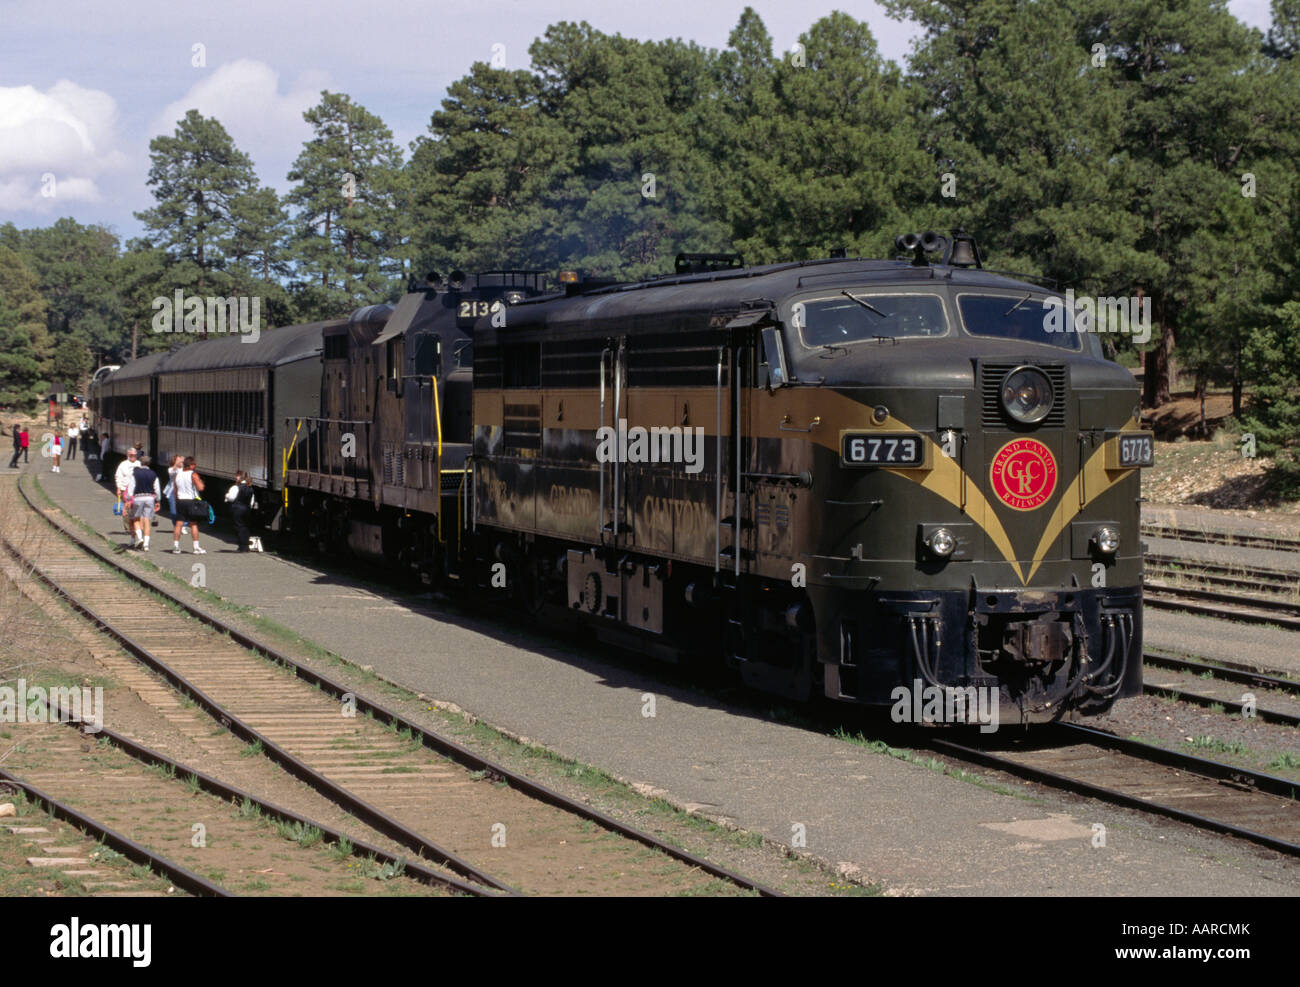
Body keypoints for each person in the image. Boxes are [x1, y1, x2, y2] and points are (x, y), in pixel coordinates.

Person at [172, 456, 206, 554]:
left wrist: (176, 500)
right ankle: (196, 548)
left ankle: (176, 546)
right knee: (193, 524)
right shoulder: (193, 474)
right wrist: (201, 482)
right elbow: (200, 488)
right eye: (194, 464)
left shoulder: (177, 475)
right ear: (191, 465)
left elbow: (175, 490)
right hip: (190, 501)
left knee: (179, 524)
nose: (195, 466)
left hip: (180, 501)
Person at [127, 455, 161, 550]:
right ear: (149, 463)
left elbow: (131, 487)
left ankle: (140, 538)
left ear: (140, 463)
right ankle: (146, 544)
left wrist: (129, 498)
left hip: (138, 497)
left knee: (136, 519)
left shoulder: (135, 473)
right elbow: (157, 489)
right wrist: (157, 500)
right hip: (150, 498)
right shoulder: (153, 474)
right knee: (147, 520)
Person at [225, 470, 261, 552]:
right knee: (245, 527)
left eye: (236, 476)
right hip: (246, 509)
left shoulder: (236, 487)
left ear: (239, 477)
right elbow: (251, 501)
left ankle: (241, 546)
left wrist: (226, 496)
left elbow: (231, 498)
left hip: (237, 509)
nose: (235, 477)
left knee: (239, 527)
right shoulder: (250, 488)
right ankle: (246, 546)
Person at [114, 447, 139, 537]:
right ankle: (128, 528)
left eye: (135, 455)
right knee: (127, 509)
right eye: (131, 455)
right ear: (128, 455)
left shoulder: (138, 464)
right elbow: (118, 476)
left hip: (136, 489)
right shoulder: (123, 464)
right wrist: (118, 488)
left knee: (136, 509)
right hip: (125, 489)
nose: (133, 457)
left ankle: (136, 527)